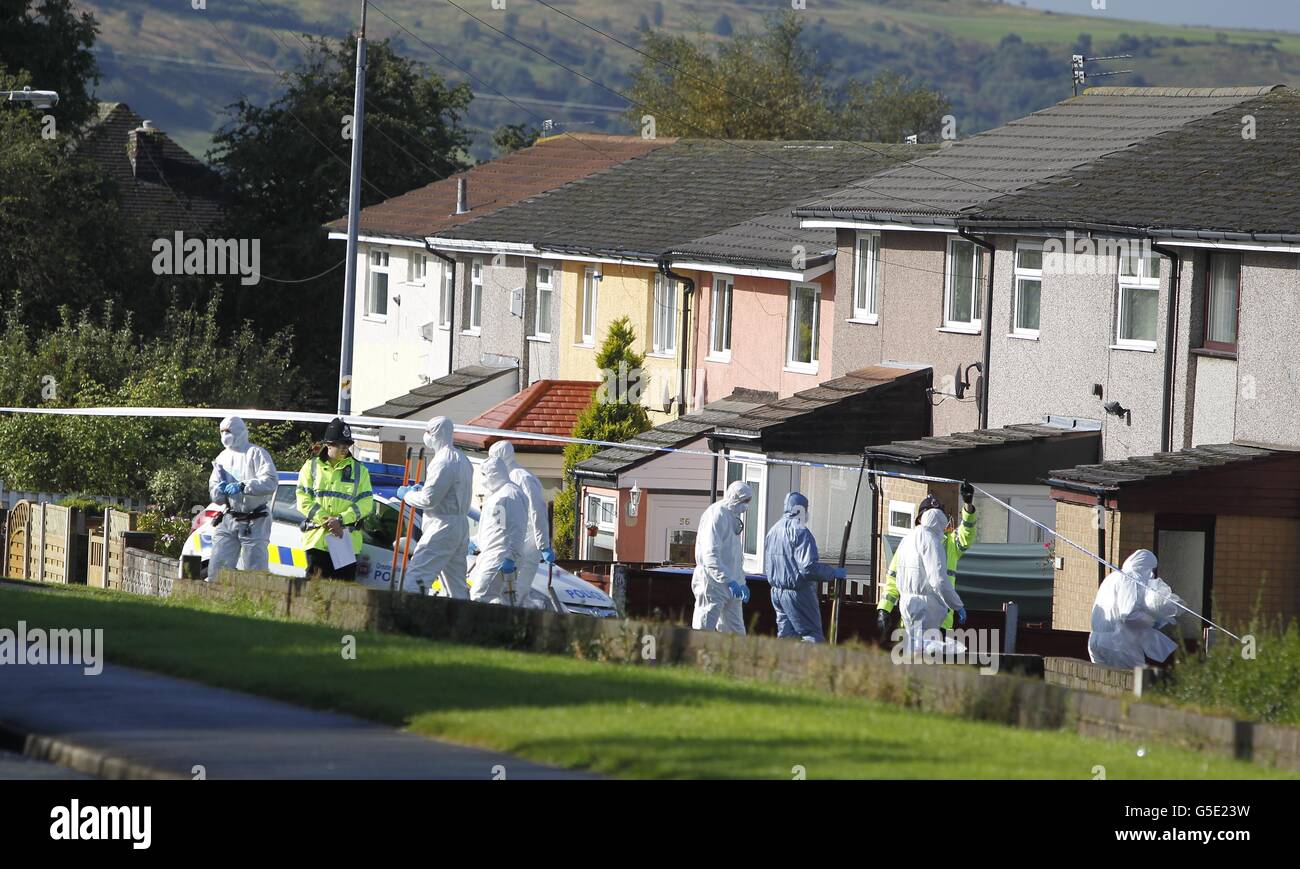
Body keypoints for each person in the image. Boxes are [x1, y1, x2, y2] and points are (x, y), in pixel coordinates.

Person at [877, 482, 977, 636]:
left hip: (938, 622)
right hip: (916, 620)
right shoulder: (907, 544)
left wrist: (968, 506)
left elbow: (967, 534)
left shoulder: (950, 543)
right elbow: (893, 580)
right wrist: (884, 608)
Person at [395, 417, 473, 597]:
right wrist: (421, 491)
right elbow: (450, 492)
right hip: (459, 526)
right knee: (456, 586)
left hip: (441, 526)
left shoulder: (443, 461)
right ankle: (460, 623)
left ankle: (412, 618)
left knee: (416, 578)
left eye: (428, 432)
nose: (426, 436)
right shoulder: (462, 459)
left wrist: (407, 495)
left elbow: (429, 500)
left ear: (436, 433)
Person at [295, 418, 373, 581]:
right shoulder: (311, 466)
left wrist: (340, 520)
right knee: (315, 592)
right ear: (328, 444)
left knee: (343, 591)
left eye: (348, 444)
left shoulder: (360, 470)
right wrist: (327, 521)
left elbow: (366, 504)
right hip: (316, 539)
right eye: (340, 444)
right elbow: (303, 499)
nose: (345, 448)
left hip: (345, 539)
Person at [763, 491, 846, 643]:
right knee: (811, 634)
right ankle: (811, 666)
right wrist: (832, 573)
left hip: (776, 592)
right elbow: (807, 567)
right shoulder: (800, 532)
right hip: (798, 593)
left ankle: (784, 665)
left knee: (786, 636)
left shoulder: (773, 530)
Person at [207, 416, 278, 579]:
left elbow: (271, 482)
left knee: (255, 570)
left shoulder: (256, 453)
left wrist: (243, 486)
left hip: (255, 520)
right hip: (230, 517)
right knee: (218, 566)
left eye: (228, 431)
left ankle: (255, 602)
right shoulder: (222, 457)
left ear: (239, 431)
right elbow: (214, 491)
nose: (225, 435)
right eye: (222, 431)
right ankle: (214, 600)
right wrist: (219, 491)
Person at [1088, 549, 1182, 669]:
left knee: (1100, 681)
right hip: (1117, 643)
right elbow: (1128, 613)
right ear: (1143, 567)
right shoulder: (1130, 579)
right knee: (1131, 682)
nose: (1151, 574)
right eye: (1150, 569)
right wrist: (1152, 620)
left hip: (1096, 639)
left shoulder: (1112, 577)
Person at [894, 507, 966, 651]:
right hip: (926, 606)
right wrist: (957, 605)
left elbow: (896, 573)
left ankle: (908, 673)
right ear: (939, 525)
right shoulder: (931, 540)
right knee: (926, 652)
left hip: (906, 603)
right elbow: (938, 580)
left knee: (913, 648)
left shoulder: (907, 539)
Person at [691, 481, 752, 634]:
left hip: (731, 585)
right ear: (735, 498)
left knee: (736, 633)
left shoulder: (733, 516)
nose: (746, 505)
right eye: (744, 501)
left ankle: (733, 658)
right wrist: (728, 579)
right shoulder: (716, 515)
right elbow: (710, 556)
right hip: (711, 583)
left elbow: (735, 556)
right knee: (704, 628)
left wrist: (740, 581)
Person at [488, 440, 554, 578]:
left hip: (526, 544)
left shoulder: (523, 478)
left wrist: (543, 545)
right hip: (509, 544)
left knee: (519, 590)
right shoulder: (503, 479)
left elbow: (537, 512)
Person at [468, 456, 529, 605]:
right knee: (504, 601)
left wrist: (511, 556)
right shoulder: (499, 494)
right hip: (492, 554)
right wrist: (475, 542)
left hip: (500, 557)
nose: (483, 480)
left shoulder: (510, 495)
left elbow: (517, 528)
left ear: (494, 474)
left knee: (479, 597)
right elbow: (496, 527)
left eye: (484, 475)